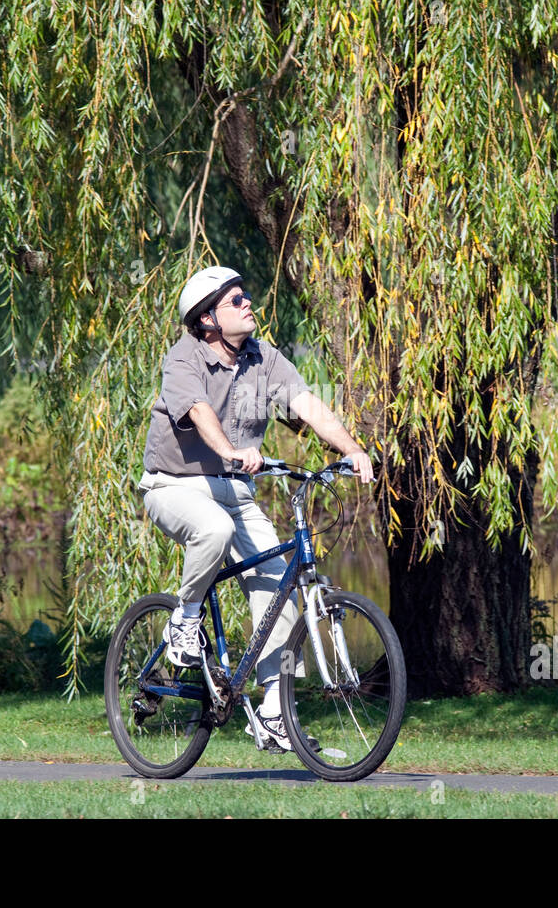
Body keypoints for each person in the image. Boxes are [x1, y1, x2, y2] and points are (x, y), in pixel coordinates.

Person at [138, 265, 374, 752]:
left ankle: (272, 714)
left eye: (247, 297)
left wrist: (351, 450)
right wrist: (228, 451)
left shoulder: (263, 358)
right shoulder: (183, 360)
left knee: (281, 588)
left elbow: (306, 404)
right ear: (207, 320)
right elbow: (200, 412)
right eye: (236, 300)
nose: (249, 304)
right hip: (174, 485)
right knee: (214, 530)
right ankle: (184, 619)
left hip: (236, 490)